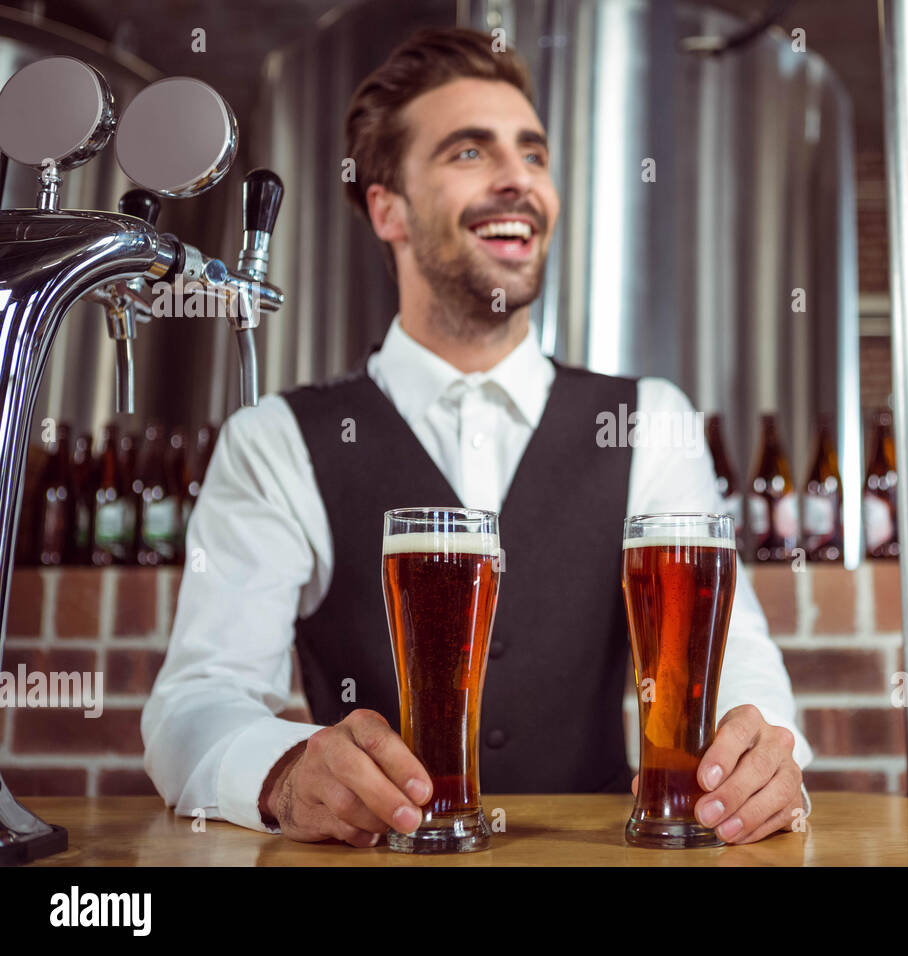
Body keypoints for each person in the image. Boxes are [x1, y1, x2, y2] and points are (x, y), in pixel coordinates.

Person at [142, 26, 812, 848]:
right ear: (385, 206)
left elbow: (734, 657)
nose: (516, 181)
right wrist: (282, 773)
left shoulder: (651, 418)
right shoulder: (275, 440)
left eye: (533, 155)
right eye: (469, 153)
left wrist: (761, 747)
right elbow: (194, 705)